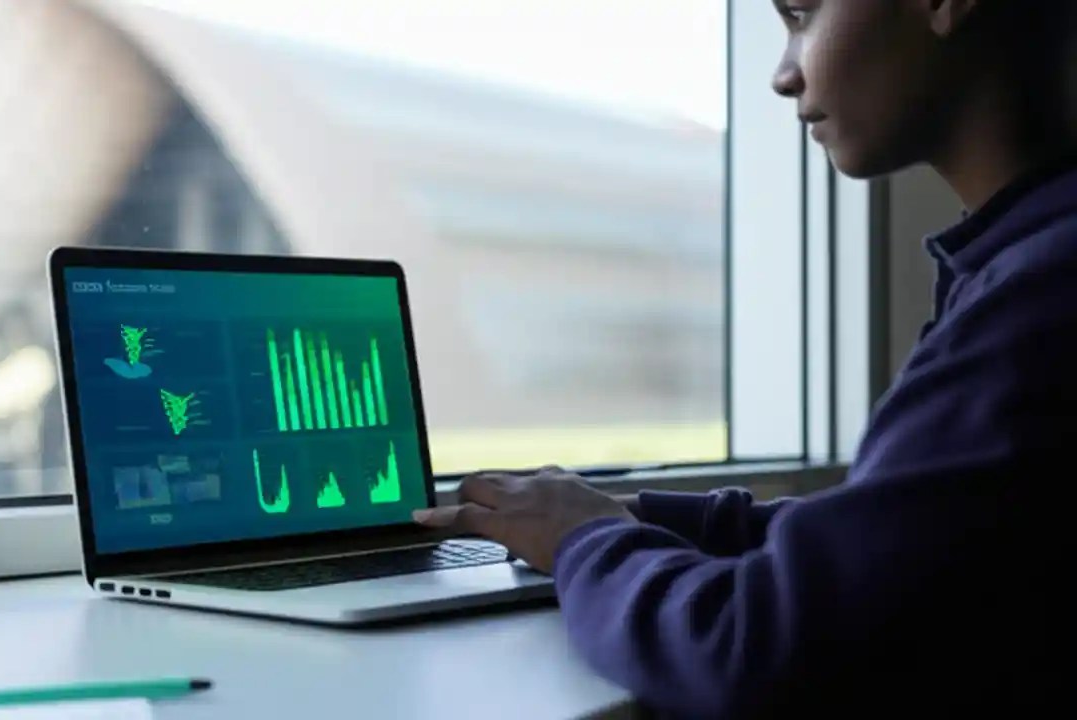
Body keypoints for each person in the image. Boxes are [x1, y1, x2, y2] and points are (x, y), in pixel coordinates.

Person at [414, 1, 1075, 716]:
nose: (783, 75)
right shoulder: (1024, 267)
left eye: (802, 13)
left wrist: (582, 540)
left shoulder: (1040, 299)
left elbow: (748, 650)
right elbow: (897, 543)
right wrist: (641, 516)